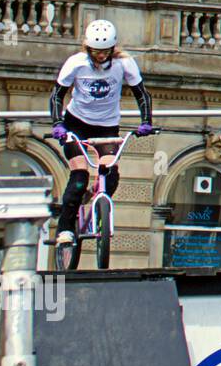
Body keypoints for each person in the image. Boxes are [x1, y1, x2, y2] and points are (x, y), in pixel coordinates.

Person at [49, 20, 154, 250]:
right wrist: (58, 125)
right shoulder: (76, 63)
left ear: (113, 49)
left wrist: (146, 122)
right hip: (76, 124)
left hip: (106, 127)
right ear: (88, 49)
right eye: (96, 52)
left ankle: (99, 208)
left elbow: (142, 95)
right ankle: (65, 229)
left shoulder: (124, 64)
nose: (100, 57)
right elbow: (56, 96)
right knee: (79, 177)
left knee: (111, 174)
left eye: (105, 52)